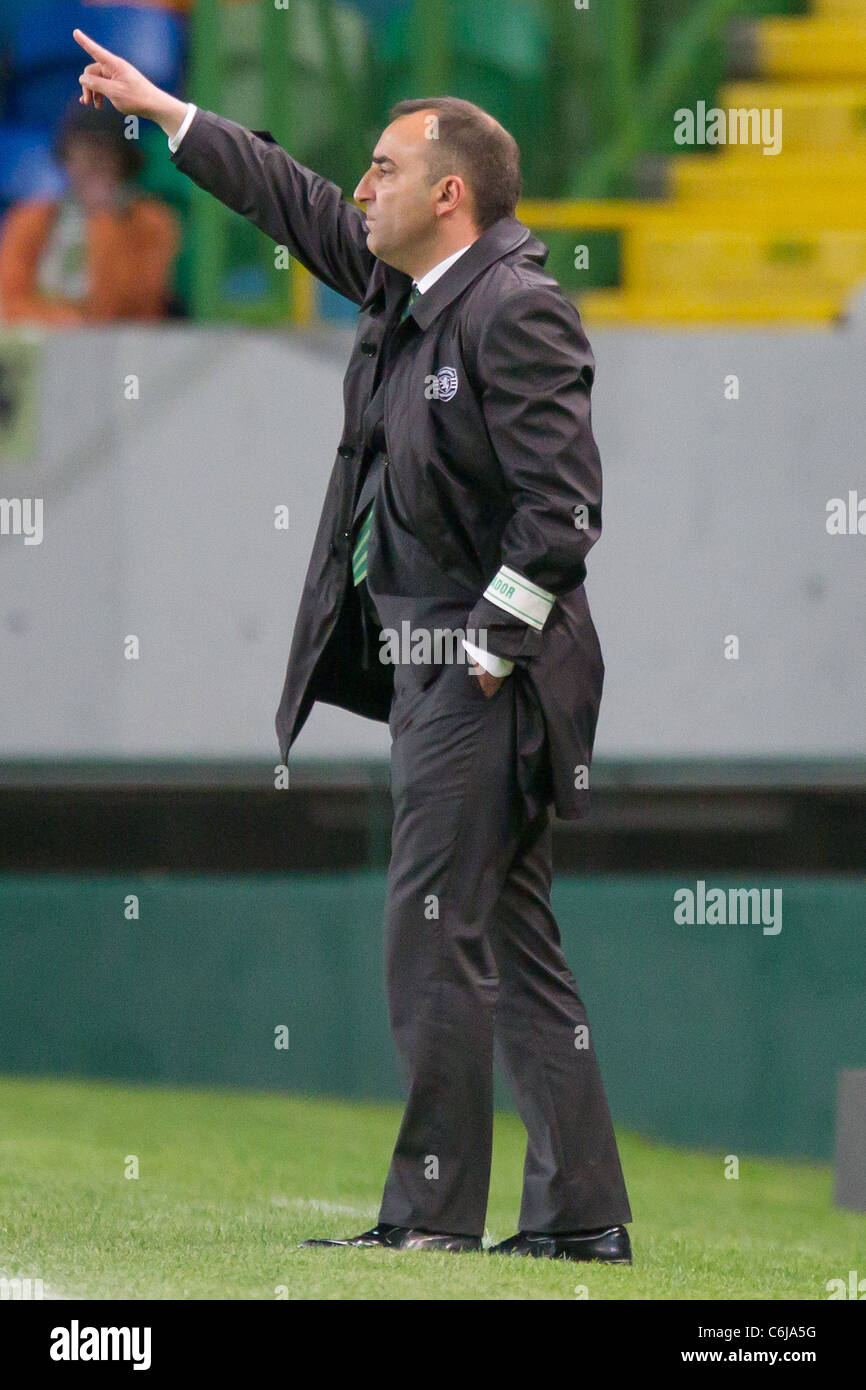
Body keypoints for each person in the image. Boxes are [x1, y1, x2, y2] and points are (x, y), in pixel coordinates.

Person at [74, 26, 634, 1263]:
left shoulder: (516, 308)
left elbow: (566, 514)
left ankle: (430, 1223)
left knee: (431, 929)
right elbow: (294, 199)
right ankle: (580, 1216)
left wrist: (487, 651)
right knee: (510, 937)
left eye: (384, 169)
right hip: (441, 663)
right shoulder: (409, 284)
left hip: (486, 672)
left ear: (450, 194)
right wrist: (171, 114)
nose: (360, 188)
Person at [0, 101, 179, 325]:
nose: (96, 161)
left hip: (120, 349)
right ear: (67, 156)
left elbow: (123, 312)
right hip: (41, 342)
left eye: (107, 151)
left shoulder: (150, 223)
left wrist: (103, 218)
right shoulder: (30, 219)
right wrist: (63, 320)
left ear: (123, 160)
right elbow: (11, 304)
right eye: (86, 149)